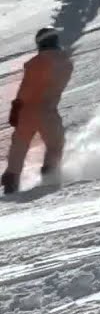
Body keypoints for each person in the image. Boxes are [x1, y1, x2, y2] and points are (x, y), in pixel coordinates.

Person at [3, 28, 72, 194]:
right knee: (55, 144)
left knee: (19, 146)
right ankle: (49, 174)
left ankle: (11, 180)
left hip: (27, 110)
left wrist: (16, 106)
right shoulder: (66, 63)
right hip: (48, 110)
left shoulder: (35, 63)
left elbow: (26, 87)